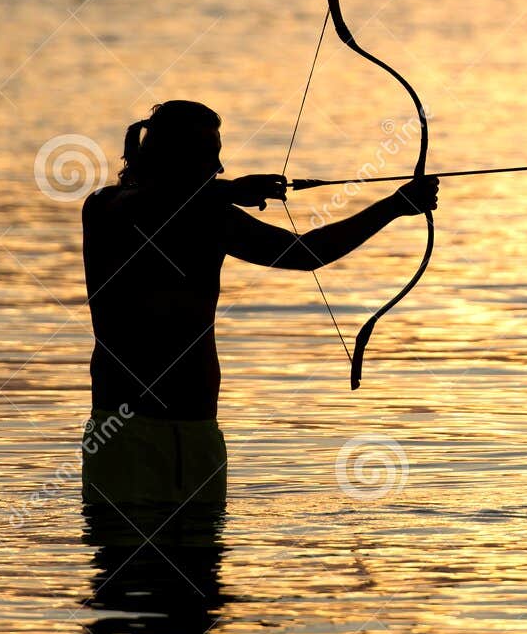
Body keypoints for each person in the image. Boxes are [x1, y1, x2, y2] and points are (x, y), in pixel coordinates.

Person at [79, 99, 438, 508]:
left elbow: (305, 253)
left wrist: (394, 206)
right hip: (124, 434)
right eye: (207, 156)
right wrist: (229, 191)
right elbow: (153, 205)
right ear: (174, 157)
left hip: (196, 431)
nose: (218, 168)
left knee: (196, 548)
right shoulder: (107, 208)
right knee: (123, 546)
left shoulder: (209, 215)